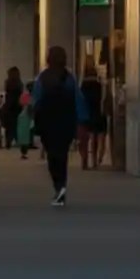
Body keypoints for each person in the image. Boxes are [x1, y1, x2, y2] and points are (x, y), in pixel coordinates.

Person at [33, 46, 89, 206]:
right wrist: (82, 121)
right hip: (66, 121)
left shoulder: (42, 78)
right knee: (62, 154)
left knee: (52, 155)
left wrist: (34, 119)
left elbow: (36, 100)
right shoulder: (69, 78)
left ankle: (58, 185)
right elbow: (78, 100)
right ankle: (61, 184)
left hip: (47, 122)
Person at [78, 64, 108, 170]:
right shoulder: (99, 85)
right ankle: (95, 160)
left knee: (85, 138)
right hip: (97, 112)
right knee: (96, 137)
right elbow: (102, 99)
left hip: (86, 113)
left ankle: (84, 161)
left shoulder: (82, 86)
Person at [1, 67, 24, 151]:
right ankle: (17, 140)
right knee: (16, 124)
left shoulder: (8, 82)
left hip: (9, 105)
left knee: (9, 126)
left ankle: (8, 142)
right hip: (17, 106)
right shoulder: (19, 83)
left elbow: (7, 93)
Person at [16, 82, 35, 160]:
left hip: (25, 116)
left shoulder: (27, 96)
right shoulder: (28, 96)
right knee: (25, 135)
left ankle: (25, 150)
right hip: (25, 116)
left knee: (24, 135)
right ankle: (24, 151)